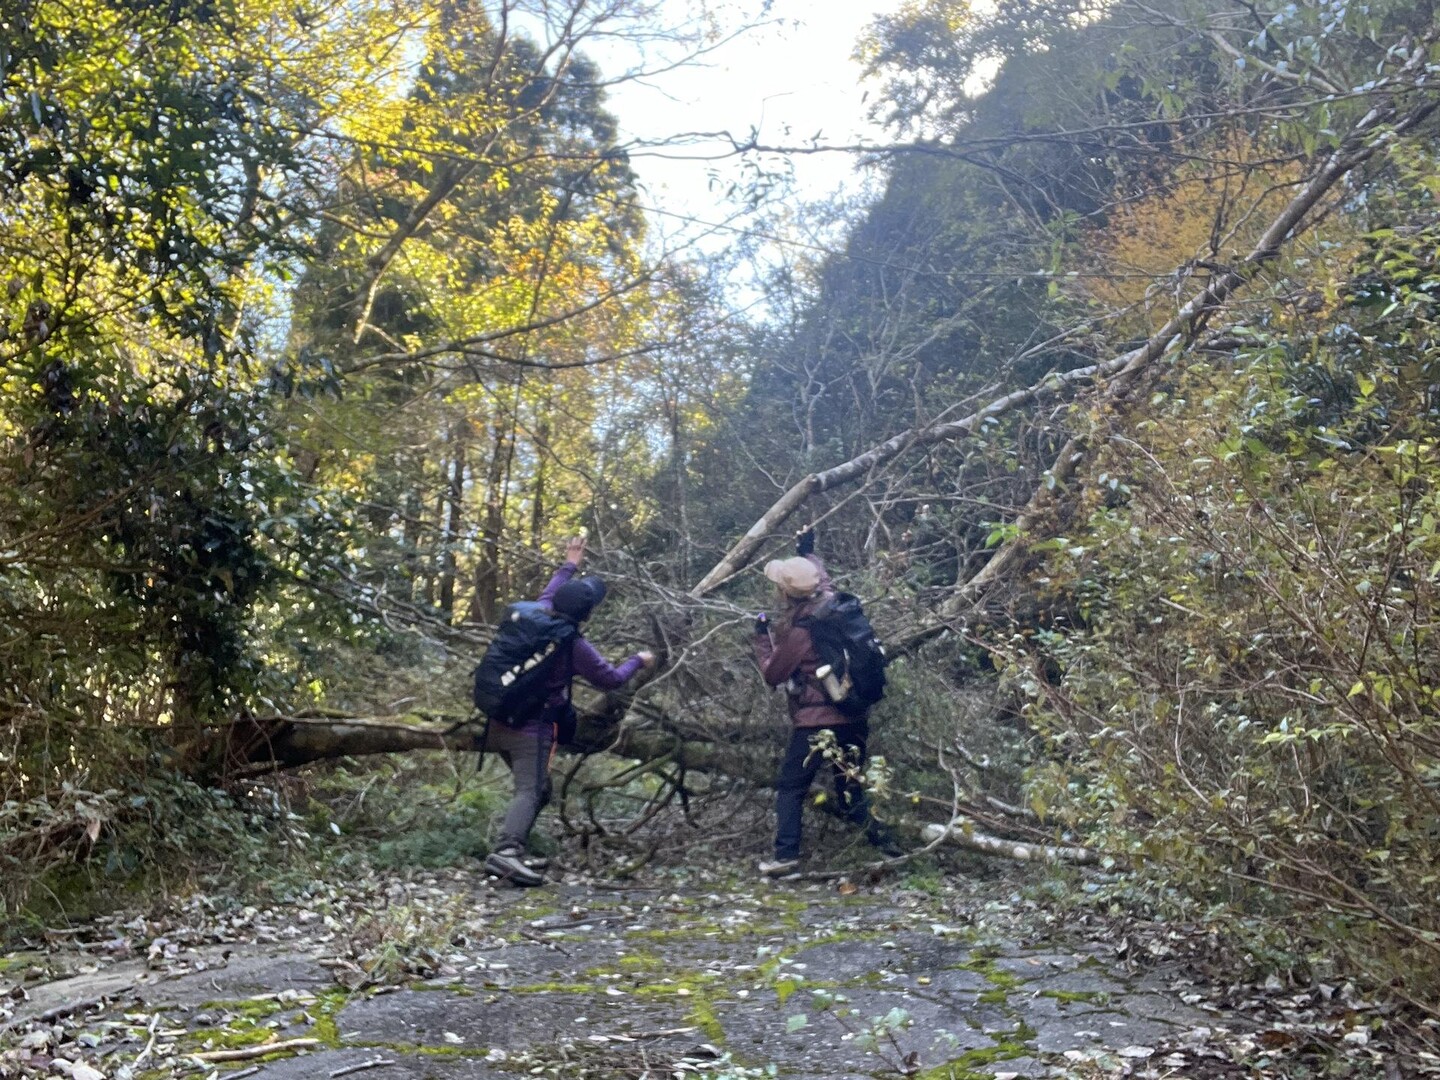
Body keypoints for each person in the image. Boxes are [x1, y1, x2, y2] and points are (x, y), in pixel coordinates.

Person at [482, 535, 655, 886]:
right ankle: (506, 853)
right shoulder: (572, 645)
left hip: (496, 716)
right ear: (586, 614)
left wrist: (570, 562)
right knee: (530, 791)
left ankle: (515, 850)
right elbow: (610, 679)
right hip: (529, 730)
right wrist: (639, 660)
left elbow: (552, 589)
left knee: (539, 790)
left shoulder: (536, 614)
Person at [752, 528, 895, 876]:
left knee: (790, 787)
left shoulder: (801, 630)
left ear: (787, 592)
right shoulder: (834, 607)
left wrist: (761, 638)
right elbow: (822, 578)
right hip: (854, 715)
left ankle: (786, 857)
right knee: (852, 790)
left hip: (816, 721)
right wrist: (807, 551)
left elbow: (773, 675)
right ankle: (890, 847)